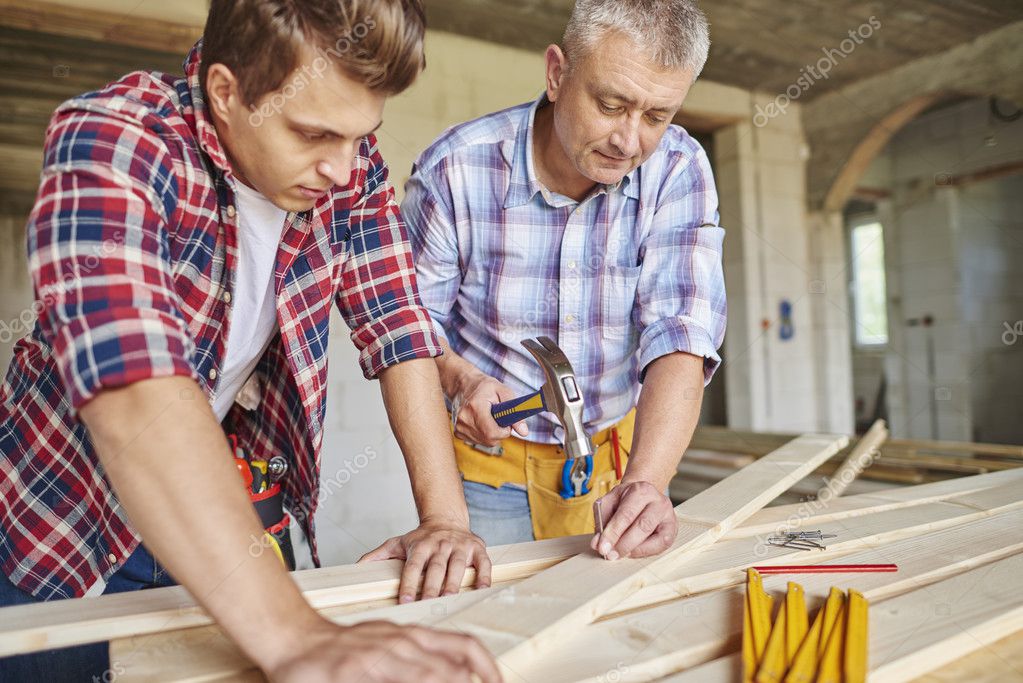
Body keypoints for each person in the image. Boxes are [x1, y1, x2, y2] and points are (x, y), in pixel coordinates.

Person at [0, 1, 500, 681]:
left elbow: (398, 321)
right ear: (226, 92)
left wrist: (444, 516)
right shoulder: (116, 140)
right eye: (314, 133)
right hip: (64, 527)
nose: (344, 169)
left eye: (361, 137)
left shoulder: (349, 166)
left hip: (232, 509)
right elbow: (134, 394)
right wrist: (296, 635)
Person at [402, 0, 726, 561]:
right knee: (485, 621)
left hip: (612, 461)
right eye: (611, 104)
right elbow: (408, 327)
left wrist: (647, 483)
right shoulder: (457, 168)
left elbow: (681, 331)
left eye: (656, 116)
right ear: (556, 74)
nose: (628, 141)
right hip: (487, 467)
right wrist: (460, 380)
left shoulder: (678, 168)